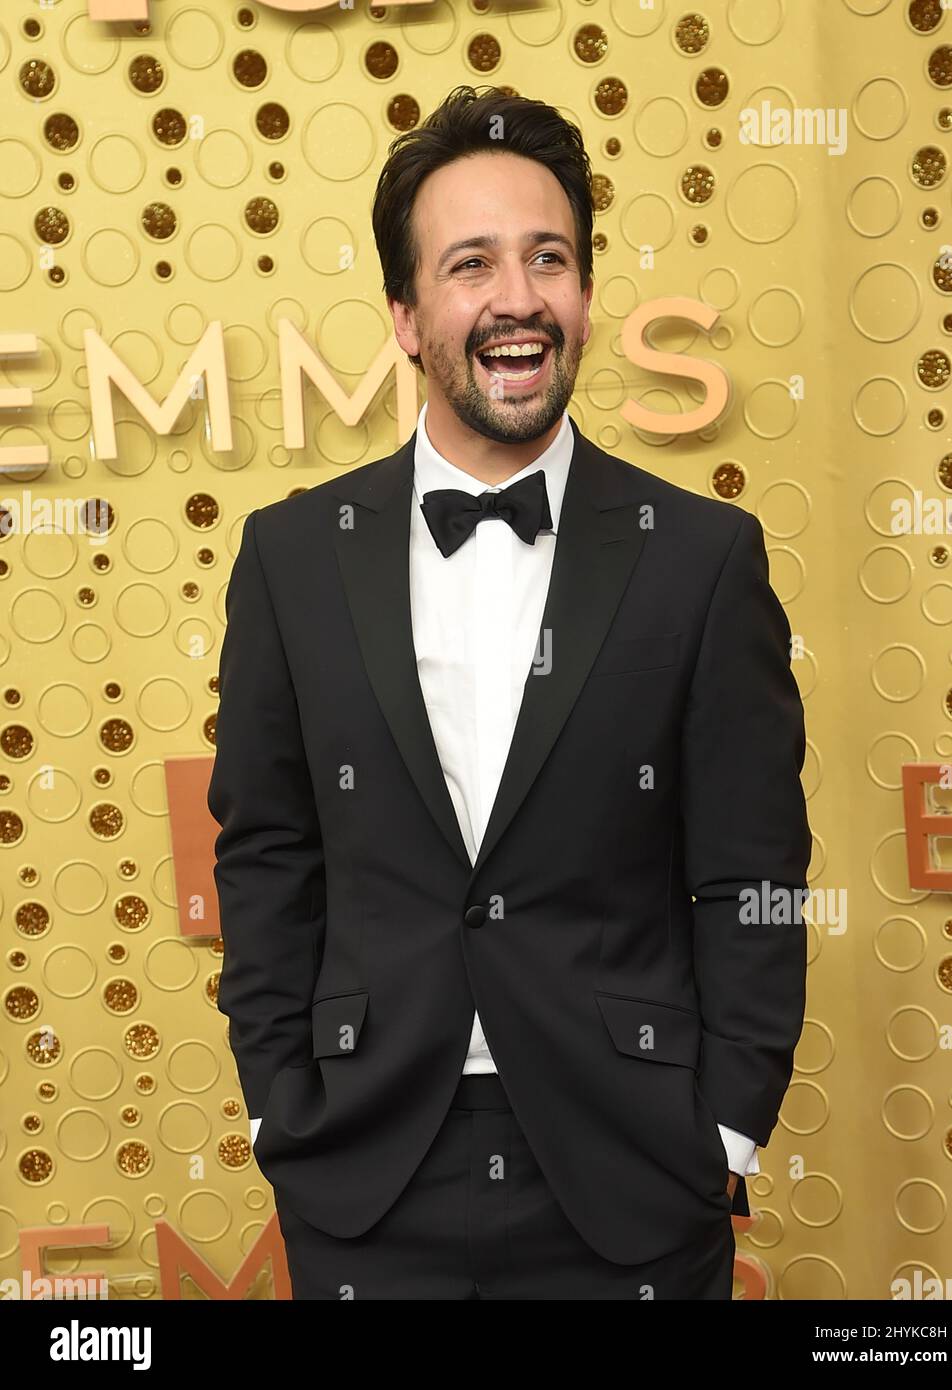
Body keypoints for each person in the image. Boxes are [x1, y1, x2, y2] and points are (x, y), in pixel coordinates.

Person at [207, 85, 811, 1300]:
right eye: (470, 264)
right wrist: (281, 1105)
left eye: (550, 257)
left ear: (585, 294)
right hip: (366, 1169)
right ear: (404, 315)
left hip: (631, 1171)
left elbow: (753, 867)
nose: (518, 297)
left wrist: (727, 1123)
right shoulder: (289, 557)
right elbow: (268, 851)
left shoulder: (700, 558)